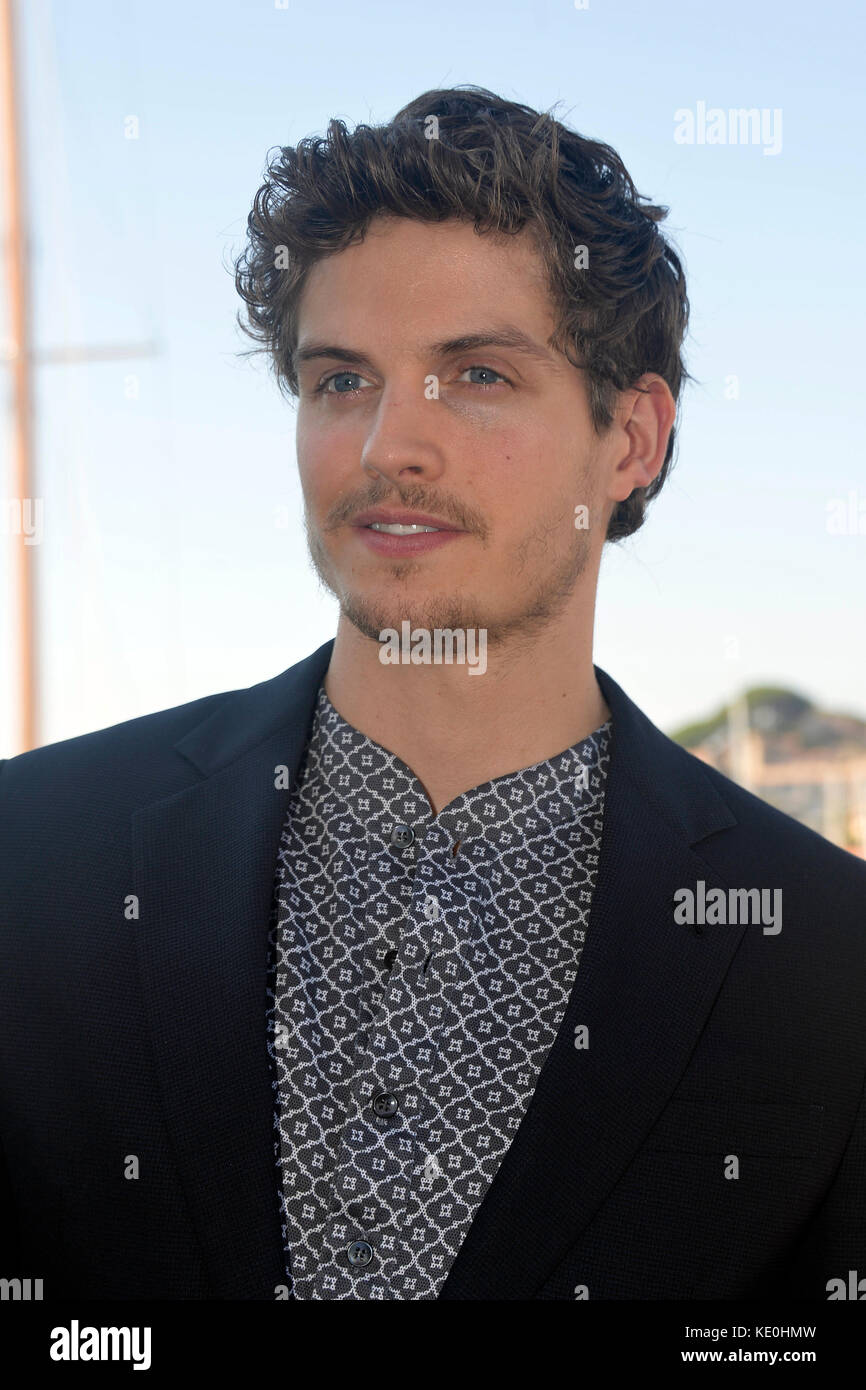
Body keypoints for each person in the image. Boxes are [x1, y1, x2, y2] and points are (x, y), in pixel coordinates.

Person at [1, 86, 864, 1302]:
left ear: (629, 439)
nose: (386, 446)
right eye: (341, 380)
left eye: (474, 374)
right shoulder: (31, 856)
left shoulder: (824, 955)